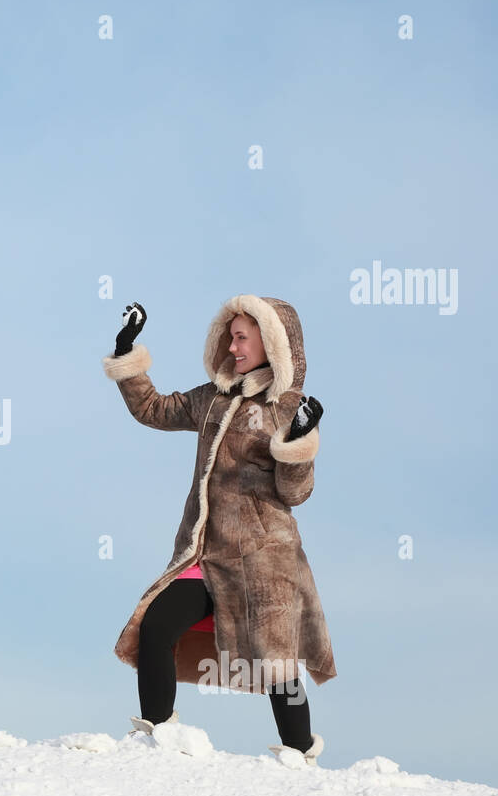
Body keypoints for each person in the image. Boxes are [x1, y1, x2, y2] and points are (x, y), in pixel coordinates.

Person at [101, 295, 336, 766]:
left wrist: (297, 445)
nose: (232, 346)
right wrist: (127, 353)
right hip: (205, 553)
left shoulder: (288, 408)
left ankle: (299, 755)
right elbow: (154, 409)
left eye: (241, 337)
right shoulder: (213, 398)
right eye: (230, 337)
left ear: (271, 343)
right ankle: (158, 734)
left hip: (264, 558)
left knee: (278, 663)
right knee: (156, 625)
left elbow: (295, 493)